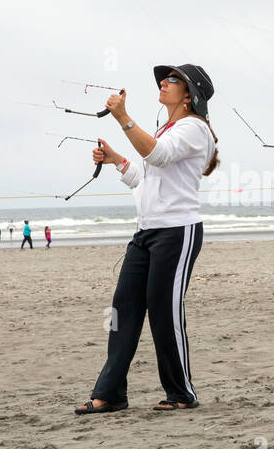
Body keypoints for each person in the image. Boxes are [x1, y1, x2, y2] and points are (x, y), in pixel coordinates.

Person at [77, 64, 220, 414]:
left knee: (163, 311)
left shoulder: (195, 129)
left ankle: (181, 393)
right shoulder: (166, 128)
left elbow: (157, 153)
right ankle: (110, 393)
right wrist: (115, 159)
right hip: (146, 232)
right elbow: (144, 173)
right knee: (122, 309)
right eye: (164, 78)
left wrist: (123, 118)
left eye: (172, 79)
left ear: (190, 95)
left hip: (177, 231)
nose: (163, 82)